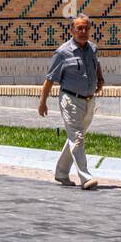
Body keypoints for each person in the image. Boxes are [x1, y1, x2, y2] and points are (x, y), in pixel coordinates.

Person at [39, 15, 105, 189]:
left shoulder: (93, 48)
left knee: (75, 138)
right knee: (77, 137)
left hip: (89, 100)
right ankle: (86, 177)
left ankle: (61, 173)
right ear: (72, 30)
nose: (83, 32)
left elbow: (96, 64)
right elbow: (50, 79)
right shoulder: (62, 52)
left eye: (86, 28)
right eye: (79, 28)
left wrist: (100, 79)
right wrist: (43, 102)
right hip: (70, 100)